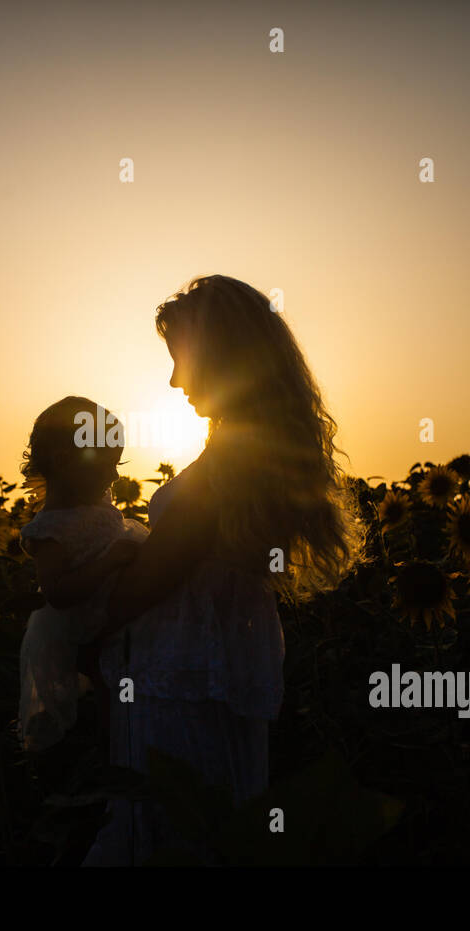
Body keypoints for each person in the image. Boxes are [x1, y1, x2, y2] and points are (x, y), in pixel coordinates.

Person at [82, 275, 365, 865]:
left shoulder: (228, 469)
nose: (175, 380)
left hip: (180, 685)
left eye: (182, 360)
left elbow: (151, 581)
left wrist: (75, 626)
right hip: (194, 679)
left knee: (175, 830)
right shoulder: (247, 457)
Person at [16, 396, 148, 752]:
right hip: (81, 632)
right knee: (103, 708)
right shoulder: (50, 529)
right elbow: (56, 592)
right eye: (106, 463)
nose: (116, 475)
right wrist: (110, 562)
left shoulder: (96, 505)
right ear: (64, 461)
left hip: (117, 621)